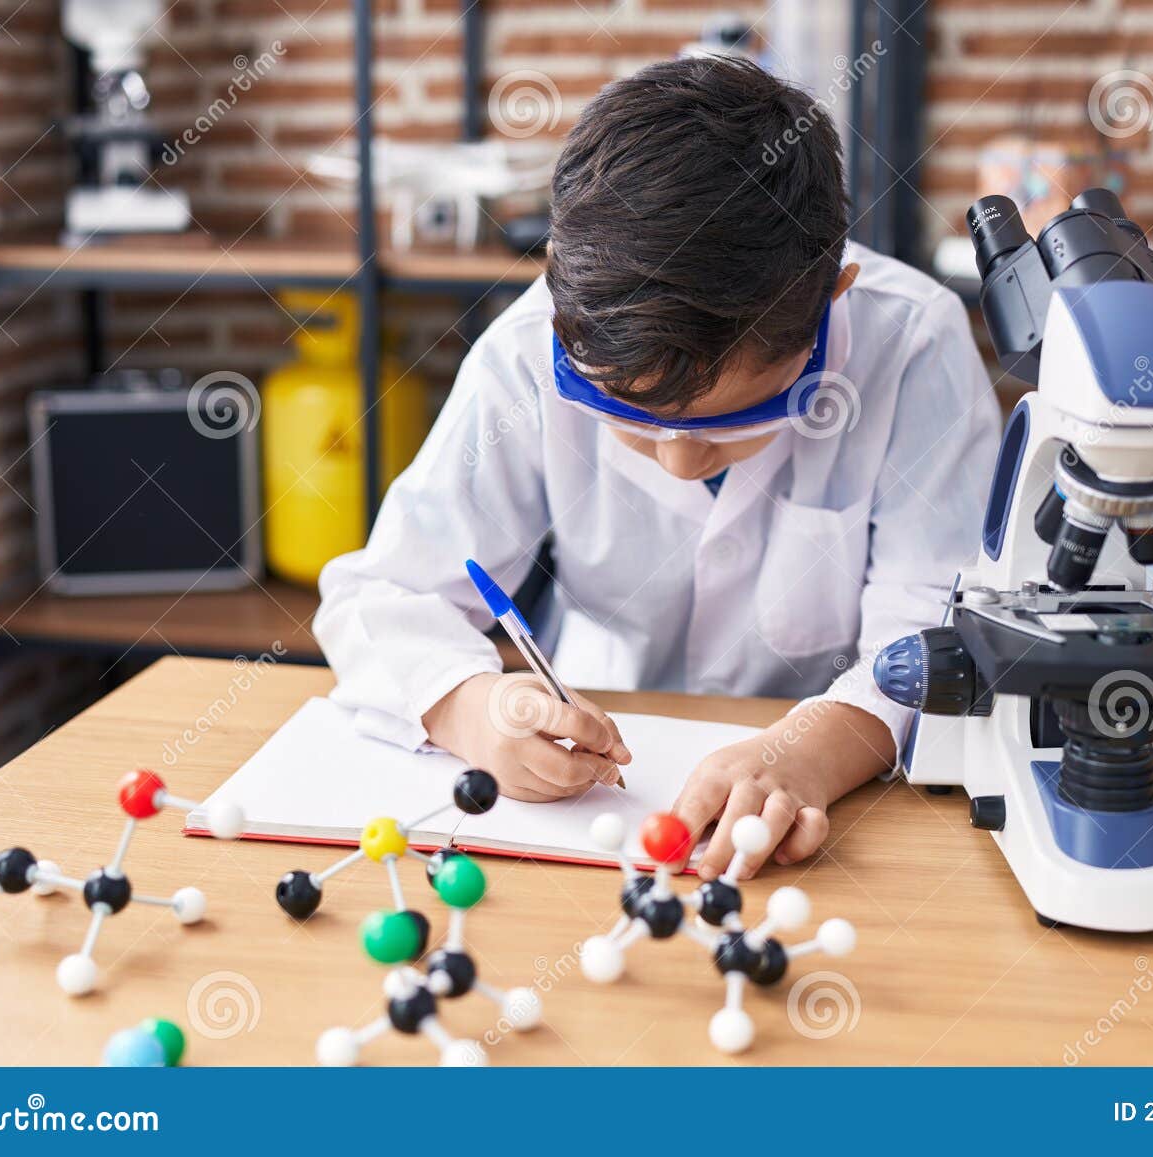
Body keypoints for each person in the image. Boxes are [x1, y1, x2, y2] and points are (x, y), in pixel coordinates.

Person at [315, 55, 1000, 880]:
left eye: (740, 418)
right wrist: (470, 707)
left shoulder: (914, 343)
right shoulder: (529, 352)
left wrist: (810, 753)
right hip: (588, 801)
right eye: (627, 418)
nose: (679, 460)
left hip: (828, 783)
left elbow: (937, 629)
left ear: (833, 298)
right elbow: (385, 591)